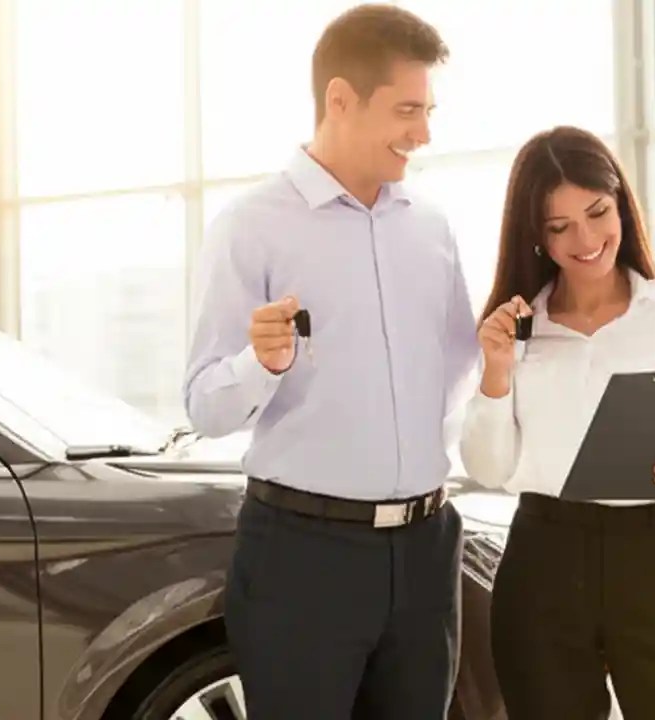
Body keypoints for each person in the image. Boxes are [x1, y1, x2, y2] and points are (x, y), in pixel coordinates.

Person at [182, 4, 479, 718]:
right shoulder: (250, 227)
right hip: (303, 558)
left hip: (425, 552)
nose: (424, 133)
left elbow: (459, 373)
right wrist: (262, 363)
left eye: (430, 110)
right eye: (407, 109)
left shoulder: (431, 228)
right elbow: (204, 406)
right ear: (340, 99)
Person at [460, 125, 655, 720]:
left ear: (621, 204)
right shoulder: (513, 330)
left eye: (597, 213)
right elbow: (488, 468)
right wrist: (496, 372)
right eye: (559, 227)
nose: (585, 240)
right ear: (535, 235)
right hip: (545, 559)